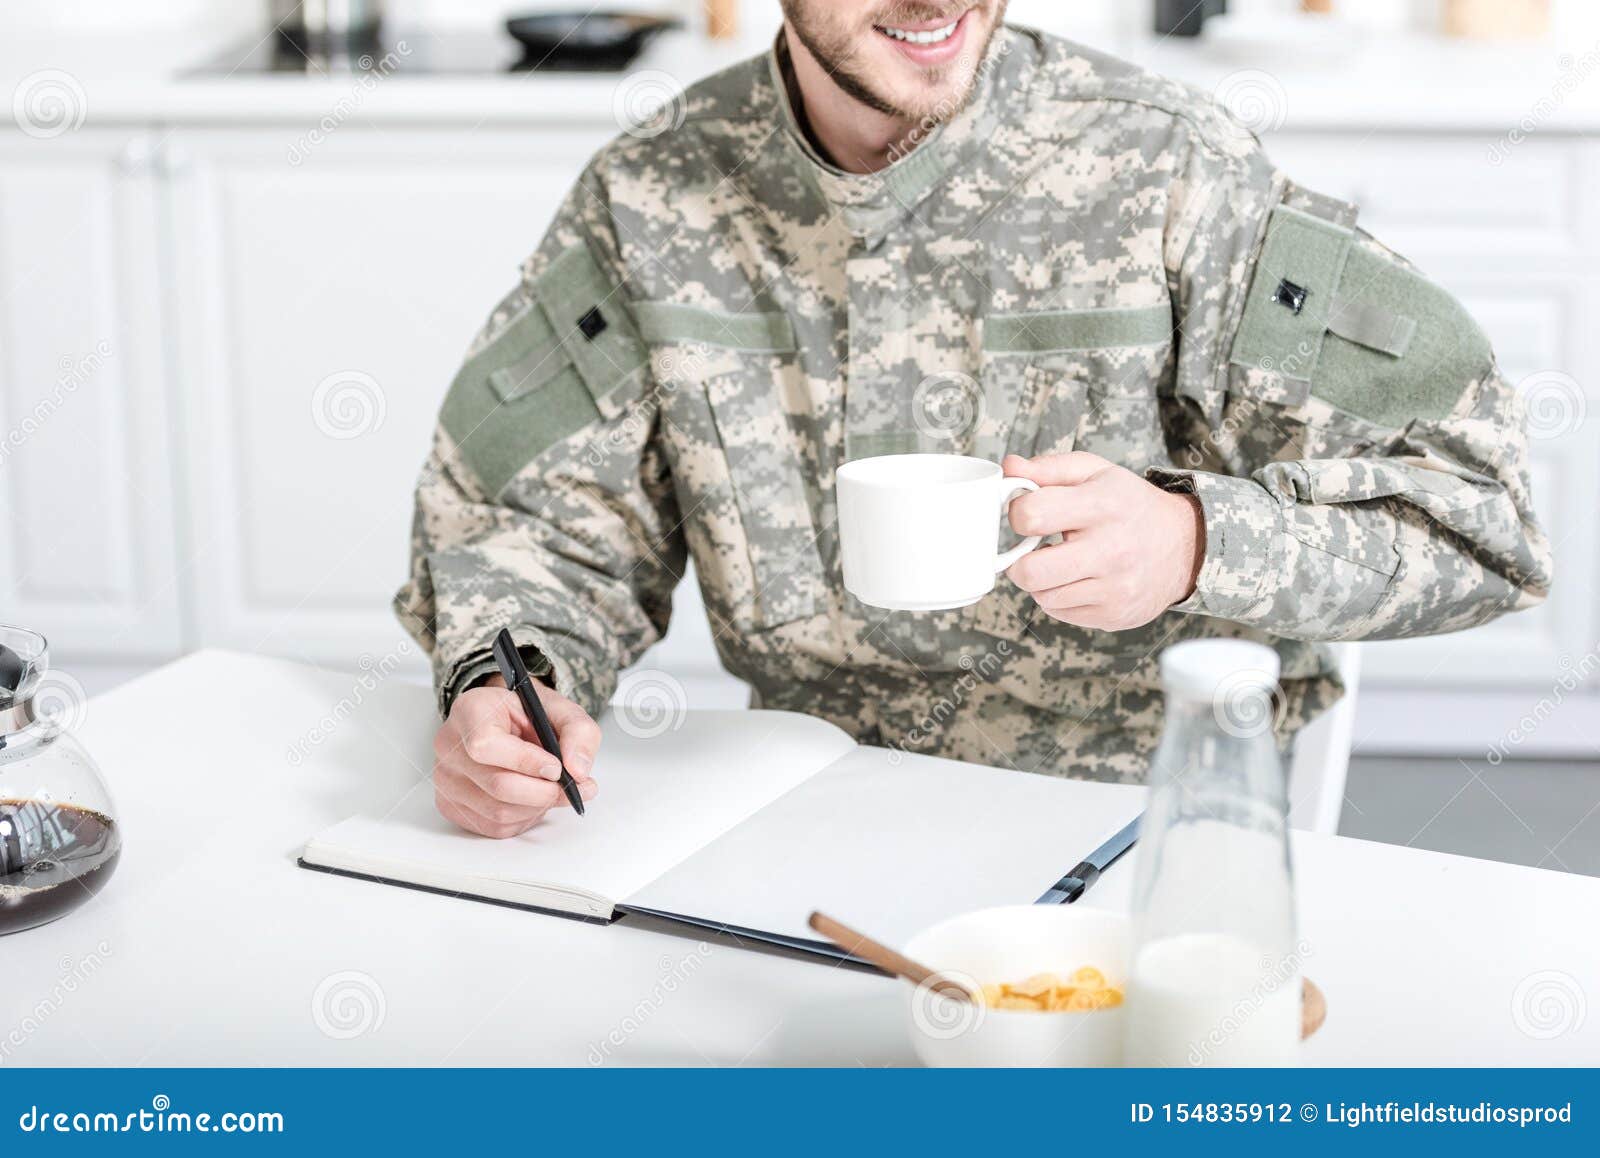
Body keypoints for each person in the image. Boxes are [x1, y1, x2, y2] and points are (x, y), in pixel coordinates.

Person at [396, 1, 1550, 838]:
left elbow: (1481, 512)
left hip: (1143, 827)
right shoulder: (649, 195)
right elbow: (532, 526)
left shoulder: (1171, 169)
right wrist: (512, 690)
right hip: (803, 822)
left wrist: (1194, 543)